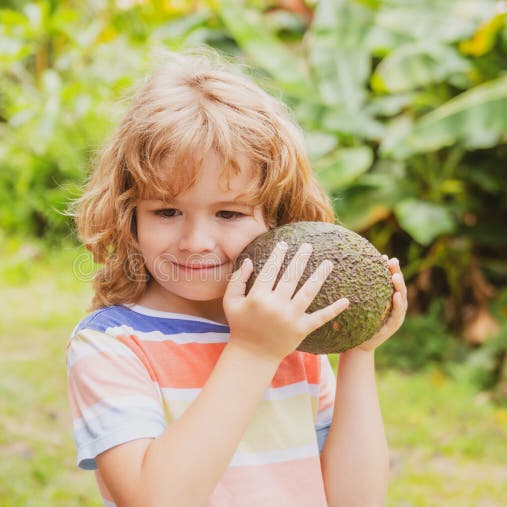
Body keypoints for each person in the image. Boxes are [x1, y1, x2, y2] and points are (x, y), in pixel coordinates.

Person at [67, 50, 408, 507]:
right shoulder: (112, 346)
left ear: (278, 219)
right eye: (167, 211)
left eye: (229, 213)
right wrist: (252, 350)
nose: (196, 240)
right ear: (130, 216)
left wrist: (358, 352)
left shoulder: (293, 337)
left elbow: (356, 500)